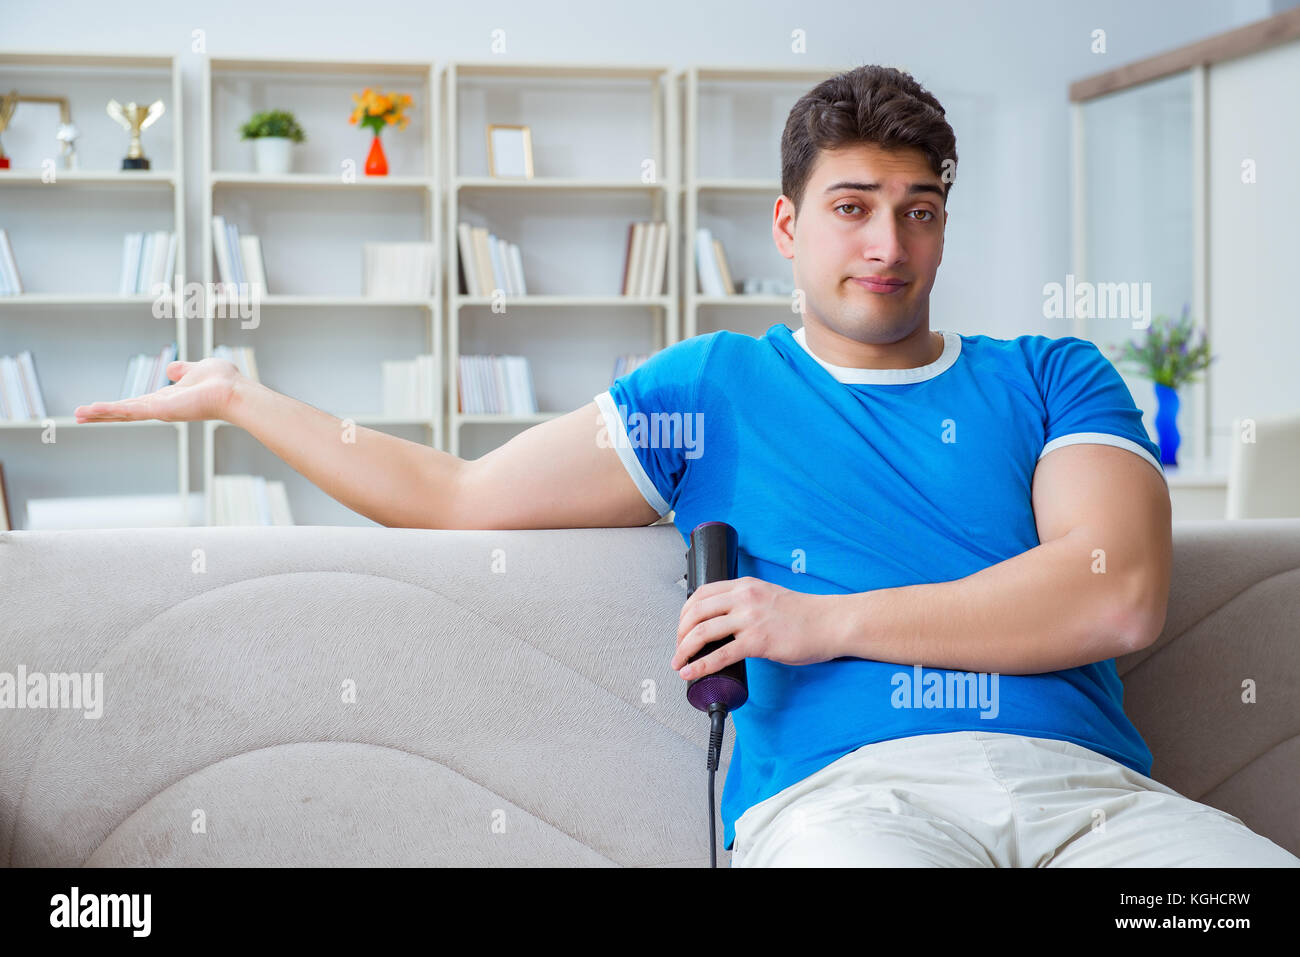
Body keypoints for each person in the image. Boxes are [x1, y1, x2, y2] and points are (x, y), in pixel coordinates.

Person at [77, 64, 1299, 868]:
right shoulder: (710, 391)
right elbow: (450, 496)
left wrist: (818, 622)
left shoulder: (1051, 376)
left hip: (1087, 803)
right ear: (786, 222)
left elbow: (1113, 589)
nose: (889, 243)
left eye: (920, 209)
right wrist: (244, 397)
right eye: (853, 206)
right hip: (849, 809)